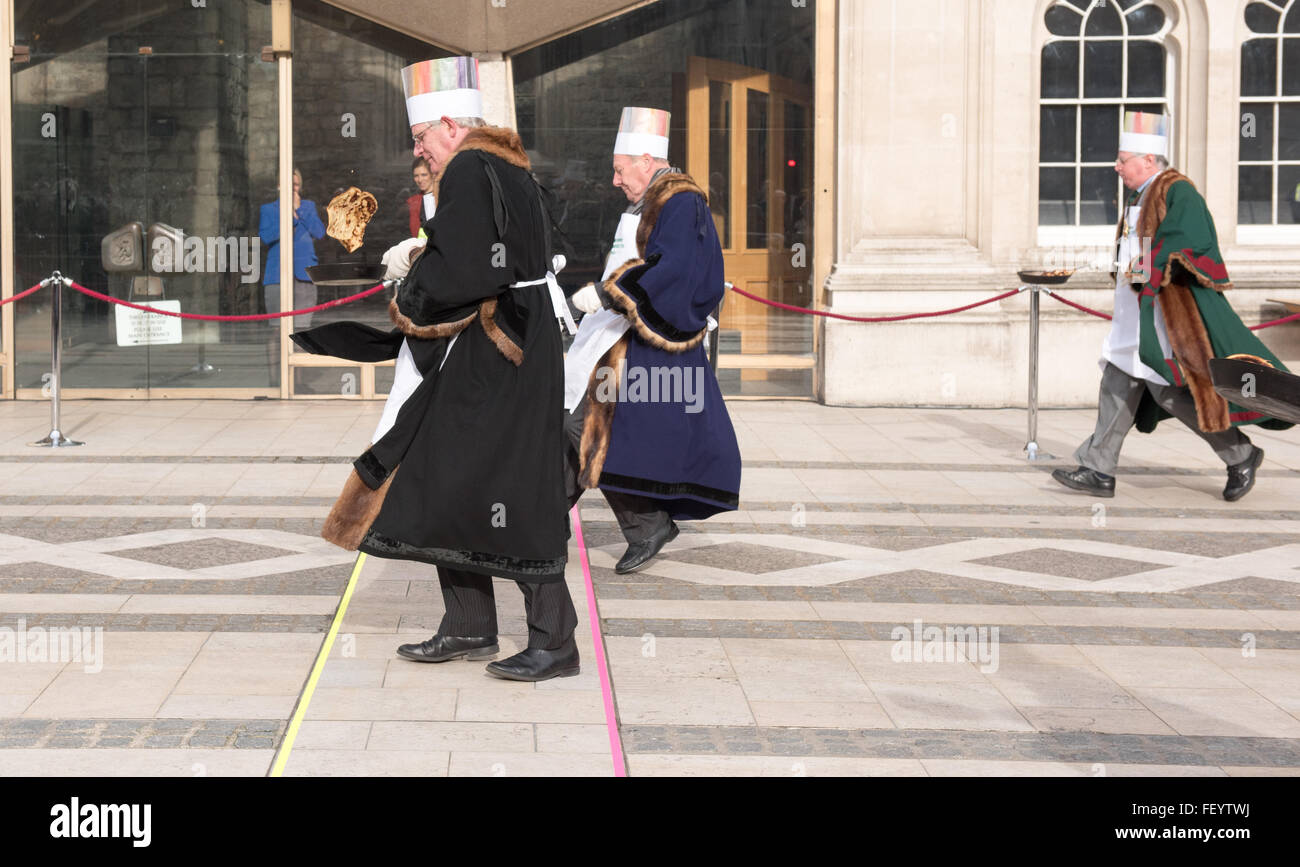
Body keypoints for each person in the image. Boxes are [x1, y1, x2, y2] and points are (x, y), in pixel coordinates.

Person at [293, 56, 578, 682]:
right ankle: (470, 623)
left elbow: (468, 270)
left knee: (512, 490)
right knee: (457, 481)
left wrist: (411, 286)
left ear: (450, 124)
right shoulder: (508, 162)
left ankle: (555, 641)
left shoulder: (473, 164)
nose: (418, 149)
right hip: (511, 346)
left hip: (498, 352)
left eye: (422, 137)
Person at [1053, 111, 1292, 502]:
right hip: (1134, 313)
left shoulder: (1178, 190)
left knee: (1170, 392)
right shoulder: (1138, 194)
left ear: (1148, 160)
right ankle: (1099, 469)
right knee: (1117, 382)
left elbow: (1192, 238)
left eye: (1123, 159)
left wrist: (1151, 269)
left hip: (1165, 316)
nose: (1116, 166)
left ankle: (1241, 454)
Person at [565, 107, 741, 572]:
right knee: (586, 427)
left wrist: (608, 294)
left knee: (584, 426)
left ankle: (540, 526)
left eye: (621, 170)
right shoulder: (655, 200)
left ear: (647, 160)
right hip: (623, 337)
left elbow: (675, 269)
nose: (615, 180)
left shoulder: (681, 201)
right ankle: (549, 524)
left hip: (642, 344)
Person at [259, 168, 326, 329]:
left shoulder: (308, 207)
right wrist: (291, 219)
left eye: (295, 184)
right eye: (287, 183)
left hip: (304, 275)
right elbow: (266, 237)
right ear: (278, 186)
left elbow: (319, 233)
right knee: (276, 328)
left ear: (299, 187)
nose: (291, 187)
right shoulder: (268, 209)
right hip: (277, 275)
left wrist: (298, 209)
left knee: (302, 329)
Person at [407, 156, 435, 237]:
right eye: (416, 176)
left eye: (424, 175)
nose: (420, 180)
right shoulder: (414, 202)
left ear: (432, 174)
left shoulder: (444, 197)